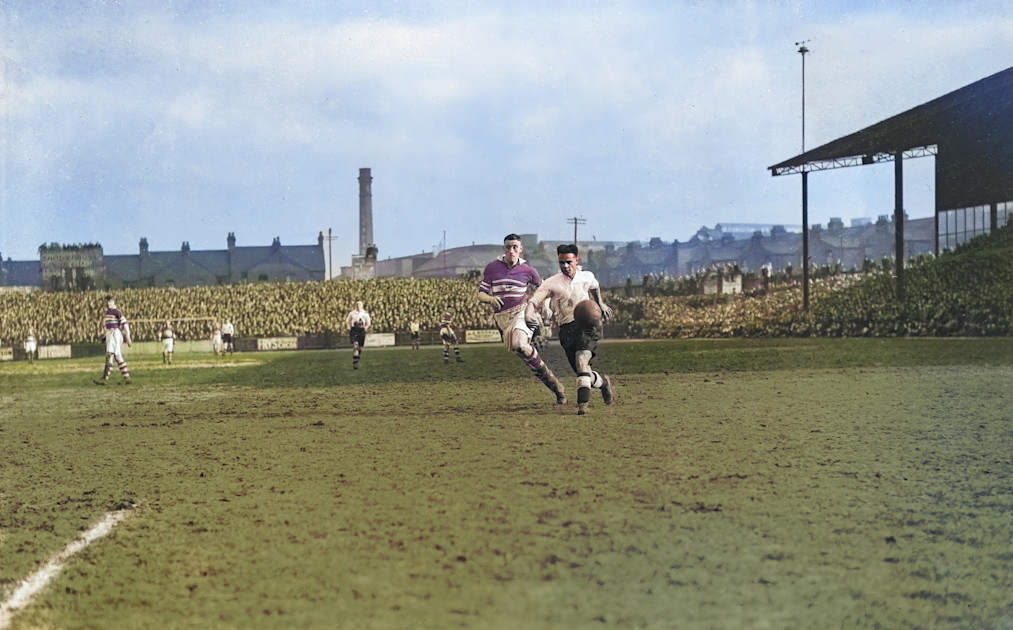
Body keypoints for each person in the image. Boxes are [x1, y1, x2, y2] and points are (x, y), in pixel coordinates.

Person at [526, 243, 615, 415]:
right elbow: (535, 300)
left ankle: (582, 406)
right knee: (583, 372)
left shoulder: (586, 276)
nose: (565, 266)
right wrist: (529, 314)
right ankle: (603, 383)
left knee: (582, 360)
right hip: (566, 329)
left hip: (587, 325)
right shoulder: (552, 282)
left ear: (577, 260)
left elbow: (595, 286)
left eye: (569, 262)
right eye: (561, 262)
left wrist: (600, 303)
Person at [477, 233, 565, 404]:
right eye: (508, 247)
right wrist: (490, 299)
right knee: (523, 351)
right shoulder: (492, 268)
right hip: (501, 318)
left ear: (520, 250)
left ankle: (555, 383)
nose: (512, 250)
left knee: (521, 345)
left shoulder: (527, 270)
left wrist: (546, 306)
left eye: (515, 247)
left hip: (521, 311)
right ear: (504, 249)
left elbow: (544, 287)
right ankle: (555, 386)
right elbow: (481, 294)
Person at [96, 294, 132, 384]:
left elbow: (125, 324)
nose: (108, 304)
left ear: (113, 302)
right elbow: (106, 327)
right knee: (117, 356)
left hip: (114, 334)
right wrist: (104, 336)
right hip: (110, 334)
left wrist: (128, 336)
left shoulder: (116, 312)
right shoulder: (107, 314)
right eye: (107, 302)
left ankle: (105, 378)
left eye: (110, 302)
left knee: (110, 355)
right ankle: (126, 377)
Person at [345, 300, 372, 369]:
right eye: (357, 304)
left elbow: (368, 323)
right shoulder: (352, 313)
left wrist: (365, 328)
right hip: (354, 330)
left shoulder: (365, 313)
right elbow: (347, 320)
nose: (358, 306)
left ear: (362, 306)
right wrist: (348, 326)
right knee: (355, 345)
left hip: (361, 331)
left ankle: (357, 358)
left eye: (360, 304)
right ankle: (355, 359)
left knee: (360, 347)